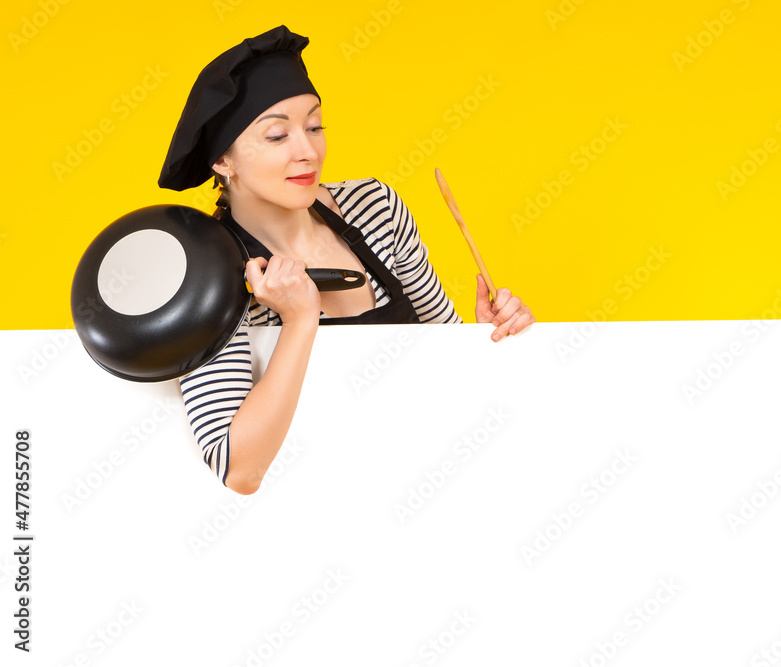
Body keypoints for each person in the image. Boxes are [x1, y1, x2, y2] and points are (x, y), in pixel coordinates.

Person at [157, 26, 534, 495]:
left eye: (315, 127)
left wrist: (483, 338)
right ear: (222, 161)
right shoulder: (210, 277)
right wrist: (299, 321)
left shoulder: (375, 207)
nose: (308, 152)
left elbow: (441, 348)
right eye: (277, 135)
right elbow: (238, 469)